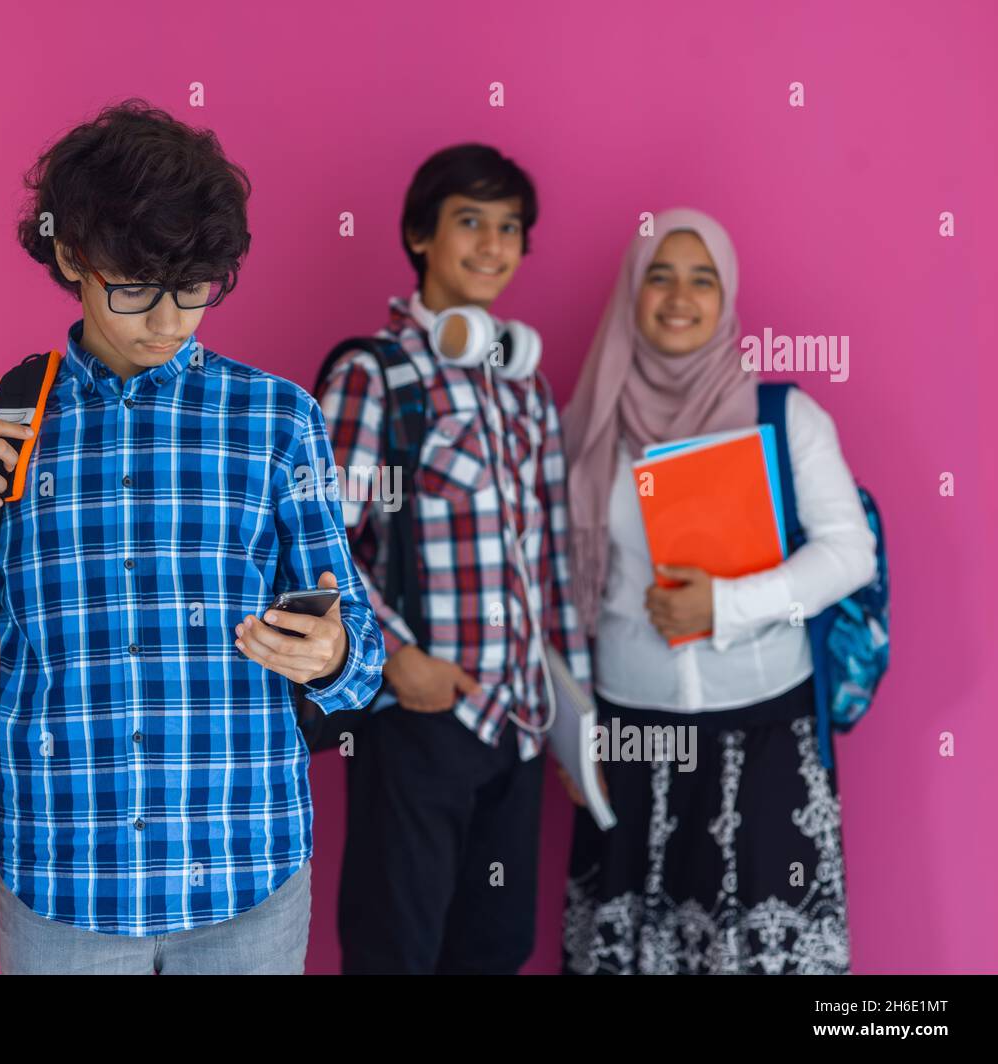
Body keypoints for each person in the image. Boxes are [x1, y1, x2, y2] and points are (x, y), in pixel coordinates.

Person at [0, 99, 384, 975]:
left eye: (195, 289)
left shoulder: (281, 421)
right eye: (134, 287)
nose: (168, 321)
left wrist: (329, 653)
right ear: (70, 256)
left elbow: (360, 657)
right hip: (64, 882)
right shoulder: (5, 424)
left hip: (248, 873)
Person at [559, 207, 876, 974]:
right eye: (659, 275)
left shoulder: (782, 417)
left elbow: (849, 554)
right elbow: (555, 593)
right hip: (631, 743)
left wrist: (724, 607)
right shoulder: (586, 425)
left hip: (766, 735)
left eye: (702, 279)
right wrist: (570, 736)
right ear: (632, 292)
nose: (679, 296)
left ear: (726, 296)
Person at [318, 144, 591, 974]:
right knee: (396, 950)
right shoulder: (377, 376)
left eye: (510, 227)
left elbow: (549, 562)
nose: (493, 245)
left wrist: (574, 719)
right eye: (470, 221)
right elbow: (321, 542)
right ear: (418, 235)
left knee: (497, 949)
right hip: (420, 721)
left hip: (516, 726)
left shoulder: (528, 390)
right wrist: (399, 660)